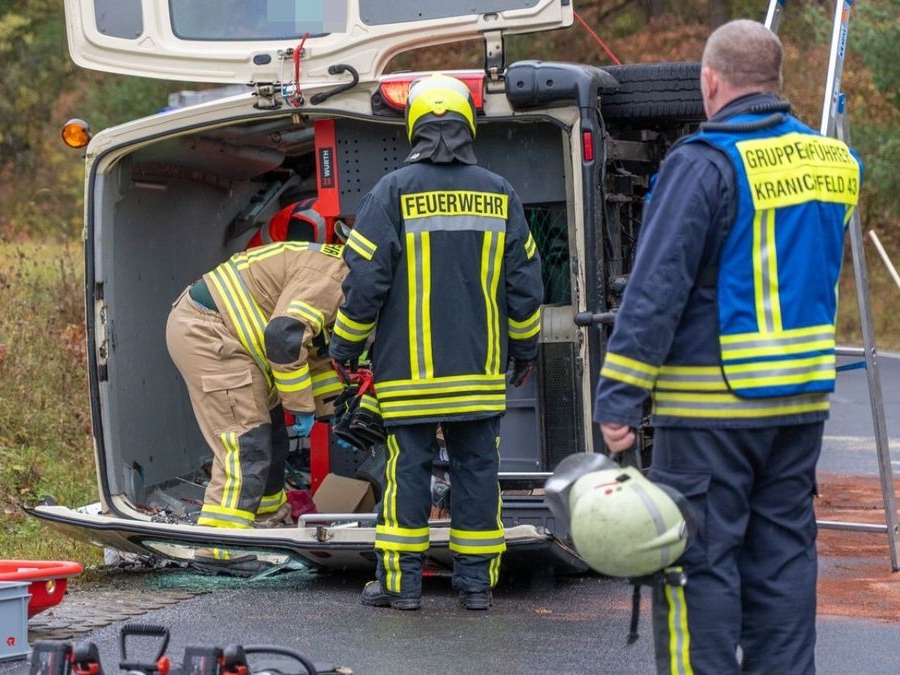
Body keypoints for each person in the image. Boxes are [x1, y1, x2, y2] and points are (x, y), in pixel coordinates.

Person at [592, 20, 862, 674]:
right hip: (800, 407)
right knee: (784, 562)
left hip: (714, 410)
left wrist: (619, 398)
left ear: (710, 83)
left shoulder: (703, 163)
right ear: (775, 81)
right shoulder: (832, 162)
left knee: (696, 565)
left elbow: (656, 287)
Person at [329, 73, 544, 611]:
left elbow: (363, 282)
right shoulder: (501, 193)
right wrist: (524, 351)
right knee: (478, 473)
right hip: (479, 370)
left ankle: (401, 588)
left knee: (407, 472)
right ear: (468, 125)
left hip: (409, 376)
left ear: (415, 126)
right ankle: (475, 587)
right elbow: (525, 286)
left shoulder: (390, 192)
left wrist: (345, 348)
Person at [165, 240, 346, 549]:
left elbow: (313, 352)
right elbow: (284, 337)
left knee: (273, 438)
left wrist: (335, 413)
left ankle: (265, 520)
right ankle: (220, 546)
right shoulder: (334, 277)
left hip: (233, 339)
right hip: (211, 333)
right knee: (245, 444)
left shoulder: (339, 271)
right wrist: (301, 406)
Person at [245, 197, 344, 249]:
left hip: (274, 269)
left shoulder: (342, 223)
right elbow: (298, 269)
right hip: (258, 270)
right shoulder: (308, 219)